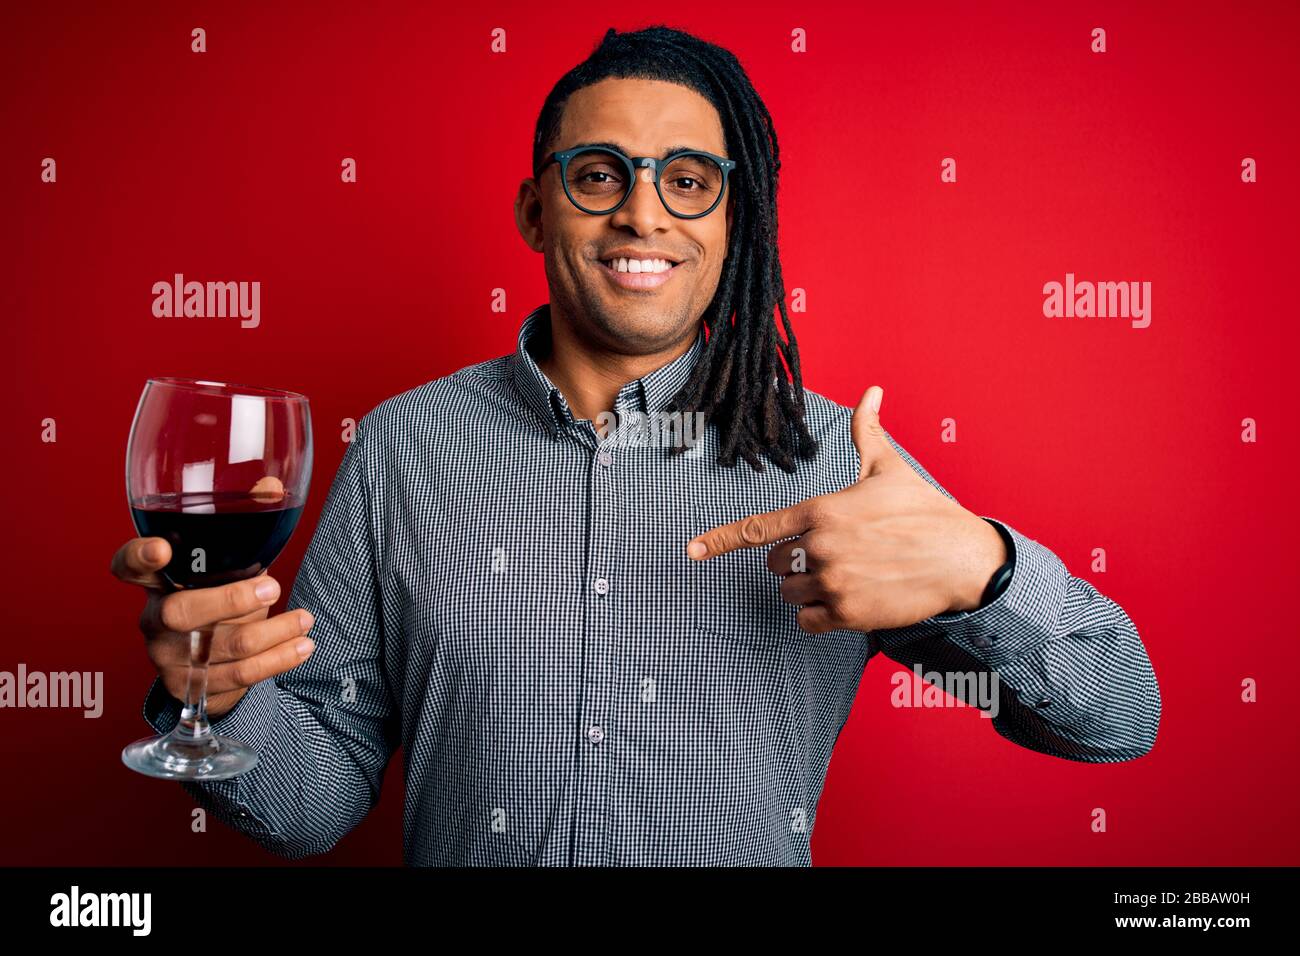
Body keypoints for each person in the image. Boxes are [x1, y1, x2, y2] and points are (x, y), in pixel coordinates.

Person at [110, 25, 1161, 866]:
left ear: (734, 225)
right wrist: (219, 695)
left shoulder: (836, 459)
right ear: (536, 211)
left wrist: (987, 570)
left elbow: (1118, 715)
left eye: (689, 180)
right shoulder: (401, 449)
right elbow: (312, 806)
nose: (643, 214)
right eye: (601, 175)